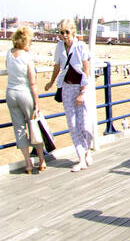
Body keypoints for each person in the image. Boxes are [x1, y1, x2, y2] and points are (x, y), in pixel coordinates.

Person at [45, 19, 96, 171]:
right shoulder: (59, 46)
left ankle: (87, 151)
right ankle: (81, 157)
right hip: (67, 87)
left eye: (67, 32)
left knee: (84, 124)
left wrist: (82, 92)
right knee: (73, 125)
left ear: (73, 32)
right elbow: (57, 65)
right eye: (61, 32)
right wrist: (51, 82)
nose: (64, 35)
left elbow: (86, 70)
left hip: (81, 87)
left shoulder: (81, 47)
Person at [5, 24, 46, 174]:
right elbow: (33, 82)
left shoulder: (9, 54)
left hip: (11, 93)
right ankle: (41, 160)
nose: (31, 44)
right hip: (25, 93)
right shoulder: (27, 57)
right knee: (33, 125)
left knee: (19, 128)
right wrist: (37, 102)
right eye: (30, 41)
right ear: (24, 42)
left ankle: (28, 163)